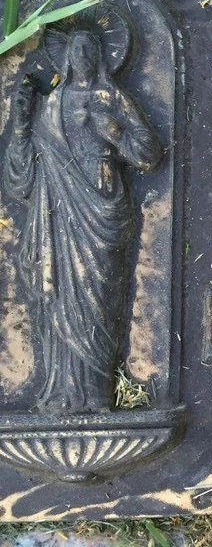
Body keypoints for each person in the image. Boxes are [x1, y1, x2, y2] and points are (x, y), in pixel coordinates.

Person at [4, 23, 163, 413]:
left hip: (102, 202)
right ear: (66, 58)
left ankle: (97, 391)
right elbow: (21, 179)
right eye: (76, 50)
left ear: (101, 57)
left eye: (91, 50)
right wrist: (22, 125)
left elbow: (148, 153)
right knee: (56, 292)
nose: (83, 57)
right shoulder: (51, 105)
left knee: (99, 296)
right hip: (56, 212)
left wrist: (114, 132)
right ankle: (60, 392)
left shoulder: (112, 96)